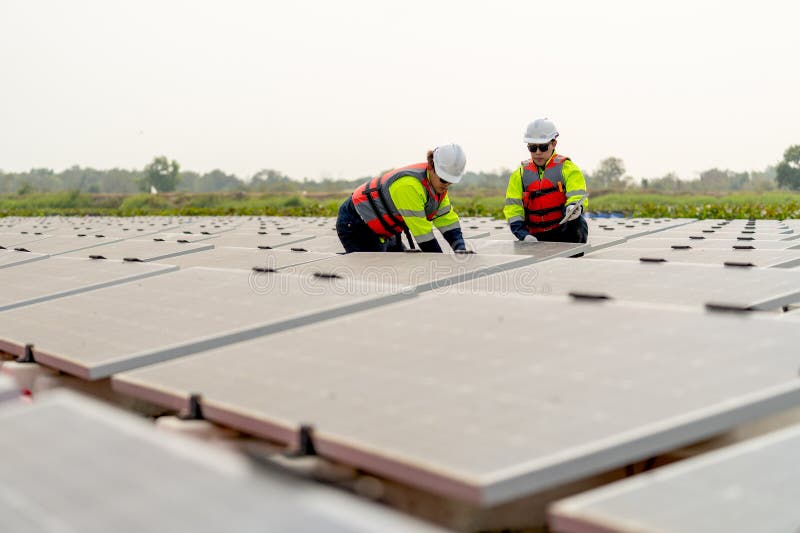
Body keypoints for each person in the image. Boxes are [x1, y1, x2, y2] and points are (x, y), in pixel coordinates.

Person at [336, 144, 468, 253]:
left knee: (397, 266)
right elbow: (423, 235)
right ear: (431, 166)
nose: (446, 185)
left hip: (384, 229)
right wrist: (440, 261)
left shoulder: (437, 189)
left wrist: (460, 250)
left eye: (451, 182)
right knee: (374, 273)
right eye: (444, 179)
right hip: (355, 223)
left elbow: (447, 220)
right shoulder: (408, 186)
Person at [503, 118, 589, 243]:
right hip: (534, 236)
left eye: (543, 147)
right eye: (532, 148)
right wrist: (523, 235)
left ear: (554, 143)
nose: (537, 152)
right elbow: (513, 209)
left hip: (564, 230)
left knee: (577, 222)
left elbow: (577, 195)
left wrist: (573, 207)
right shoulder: (519, 174)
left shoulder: (568, 169)